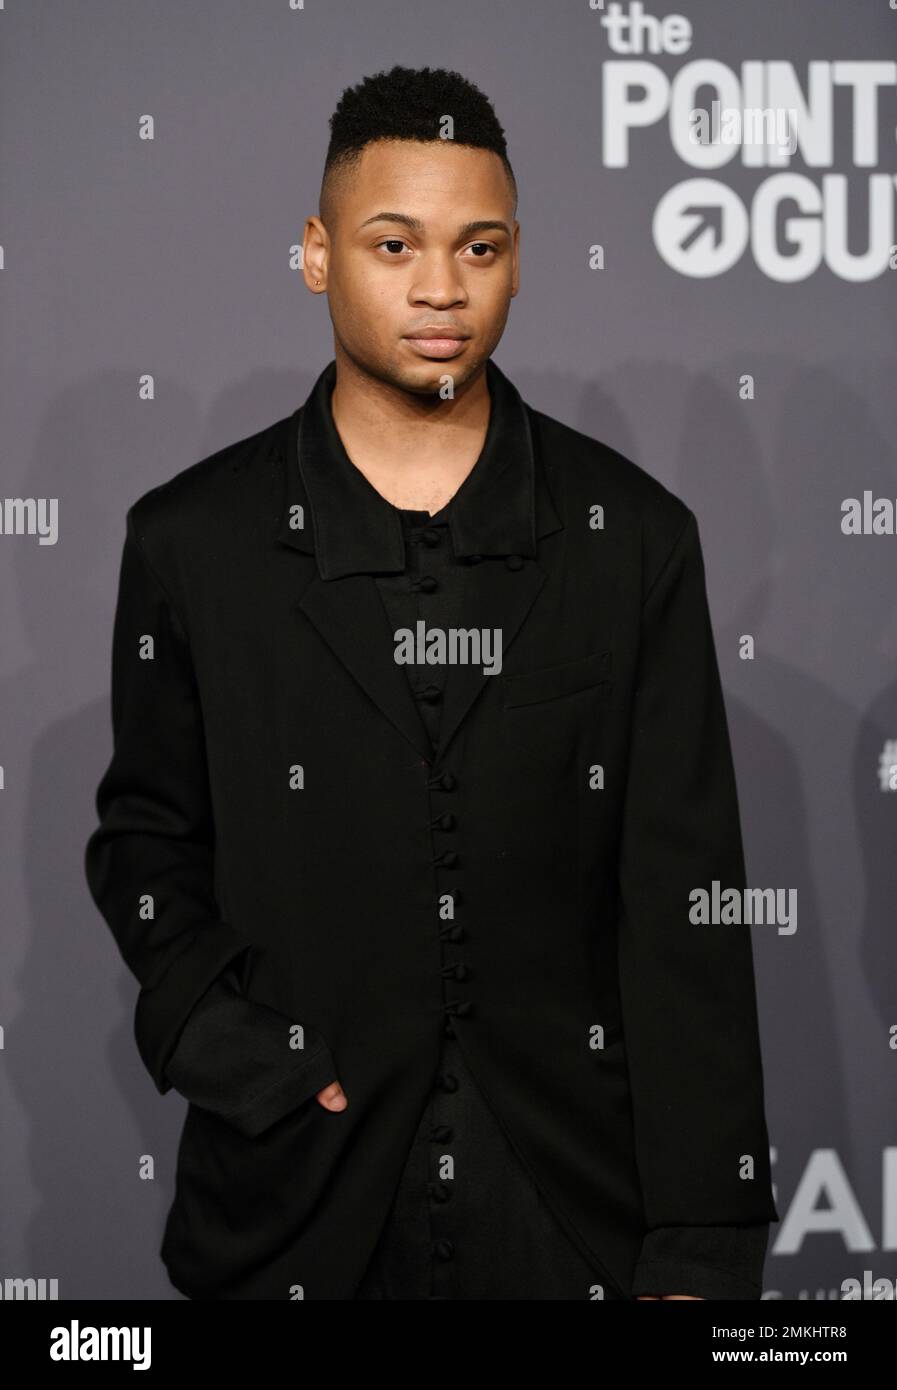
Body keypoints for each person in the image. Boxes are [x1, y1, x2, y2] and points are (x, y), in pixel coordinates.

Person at [85, 64, 778, 1301]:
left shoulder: (634, 536)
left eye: (480, 247)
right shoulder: (191, 540)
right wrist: (233, 1047)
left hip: (576, 1208)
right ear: (316, 252)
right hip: (293, 1192)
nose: (441, 288)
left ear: (519, 261)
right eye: (393, 243)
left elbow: (689, 912)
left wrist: (703, 1245)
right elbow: (145, 841)